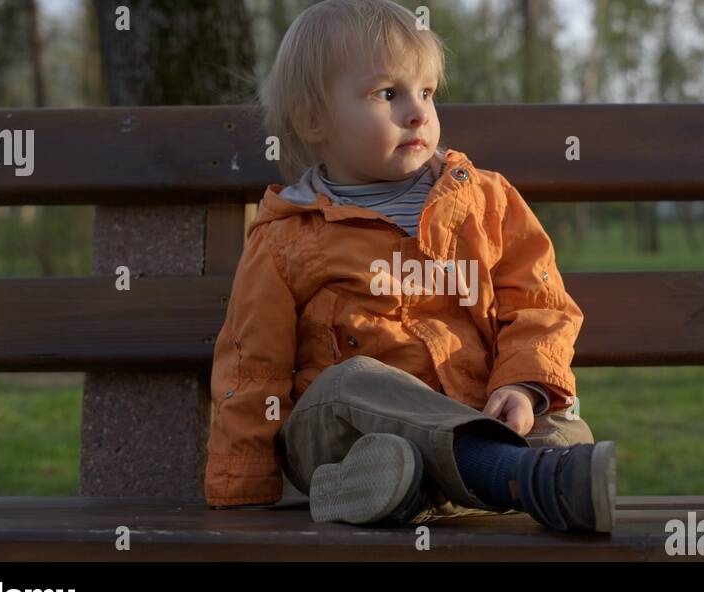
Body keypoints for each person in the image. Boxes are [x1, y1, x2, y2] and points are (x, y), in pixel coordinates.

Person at [205, 0, 616, 533]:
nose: (418, 112)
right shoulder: (287, 237)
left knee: (561, 425)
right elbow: (252, 366)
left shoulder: (485, 202)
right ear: (315, 119)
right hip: (345, 432)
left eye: (425, 92)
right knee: (346, 382)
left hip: (481, 412)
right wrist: (244, 487)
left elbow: (539, 305)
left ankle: (411, 490)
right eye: (388, 94)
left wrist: (522, 386)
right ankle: (511, 478)